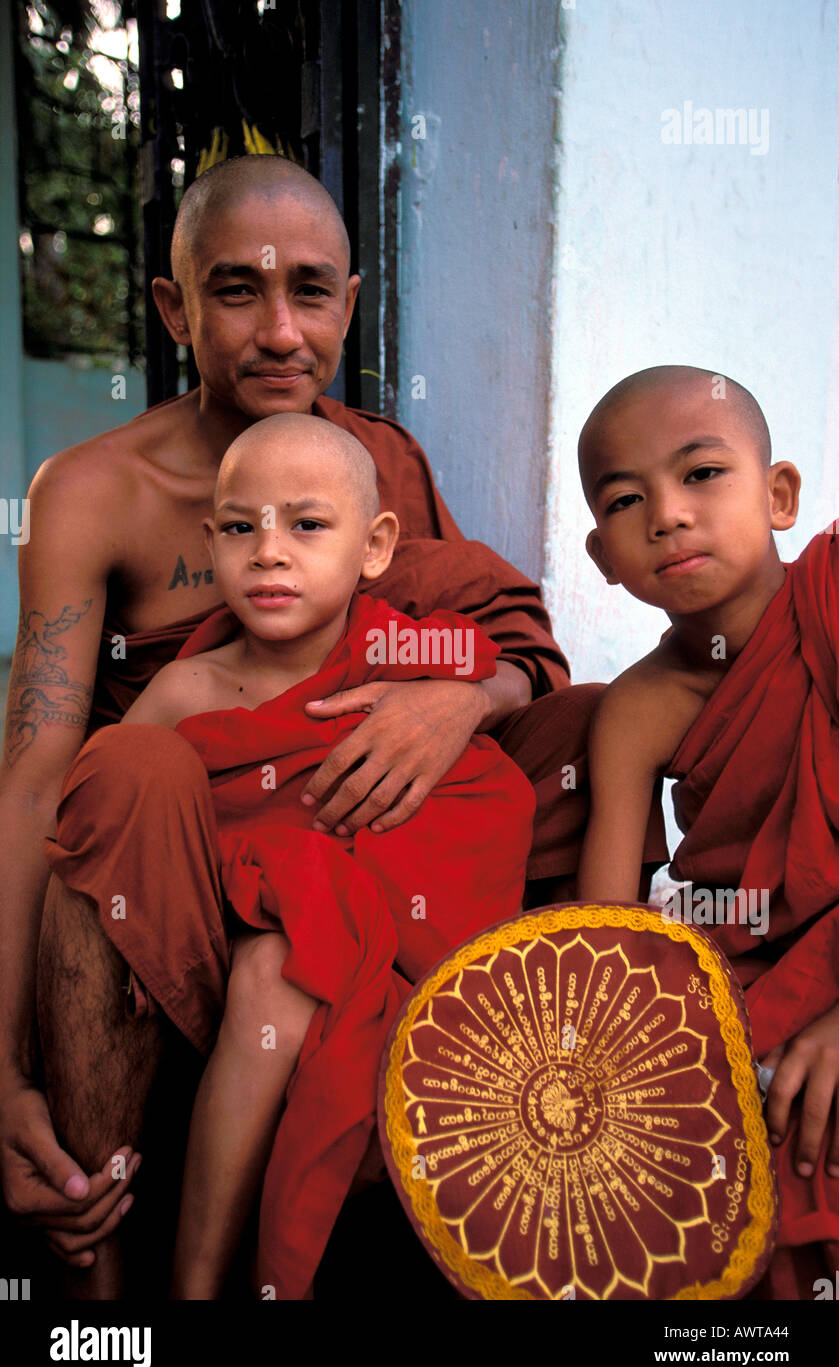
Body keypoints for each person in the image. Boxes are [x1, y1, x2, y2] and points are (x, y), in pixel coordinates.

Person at [1, 154, 664, 1294]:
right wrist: (1, 1073)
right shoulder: (94, 489)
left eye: (309, 290)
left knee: (598, 726)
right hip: (189, 878)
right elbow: (35, 773)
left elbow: (502, 637)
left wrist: (459, 698)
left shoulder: (377, 459)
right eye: (232, 290)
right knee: (126, 774)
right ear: (172, 307)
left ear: (349, 304)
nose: (276, 330)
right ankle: (98, 1267)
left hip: (374, 833)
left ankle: (569, 1078)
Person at [576, 364, 839, 1296]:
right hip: (747, 971)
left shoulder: (833, 600)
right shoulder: (635, 712)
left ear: (778, 496)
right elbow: (604, 938)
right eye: (624, 499)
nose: (668, 515)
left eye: (701, 475)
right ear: (602, 558)